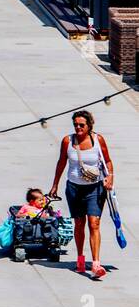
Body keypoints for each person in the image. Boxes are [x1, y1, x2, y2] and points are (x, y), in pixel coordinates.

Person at [50, 110, 114, 280]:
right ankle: (80, 259)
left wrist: (109, 177)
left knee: (94, 223)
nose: (78, 127)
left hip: (95, 189)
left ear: (89, 125)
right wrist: (55, 184)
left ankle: (96, 263)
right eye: (75, 125)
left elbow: (107, 161)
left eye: (81, 125)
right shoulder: (67, 141)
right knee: (79, 223)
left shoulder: (98, 140)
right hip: (74, 188)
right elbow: (61, 162)